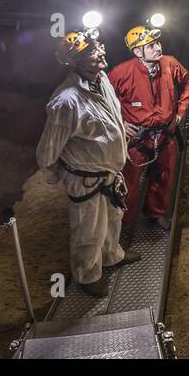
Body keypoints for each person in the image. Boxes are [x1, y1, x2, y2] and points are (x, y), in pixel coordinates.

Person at [37, 30, 140, 297]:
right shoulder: (66, 101)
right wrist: (55, 173)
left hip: (108, 171)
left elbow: (109, 114)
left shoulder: (101, 79)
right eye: (90, 52)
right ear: (74, 62)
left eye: (98, 46)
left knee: (112, 219)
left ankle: (111, 256)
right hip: (86, 177)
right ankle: (87, 275)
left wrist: (120, 129)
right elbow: (49, 149)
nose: (100, 53)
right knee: (89, 230)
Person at [108, 24, 189, 233]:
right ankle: (123, 224)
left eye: (157, 43)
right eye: (151, 45)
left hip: (165, 135)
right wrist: (119, 122)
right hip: (137, 139)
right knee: (129, 183)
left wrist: (180, 113)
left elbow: (188, 82)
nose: (158, 47)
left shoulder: (169, 63)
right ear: (138, 52)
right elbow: (104, 99)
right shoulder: (121, 73)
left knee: (163, 176)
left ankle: (155, 214)